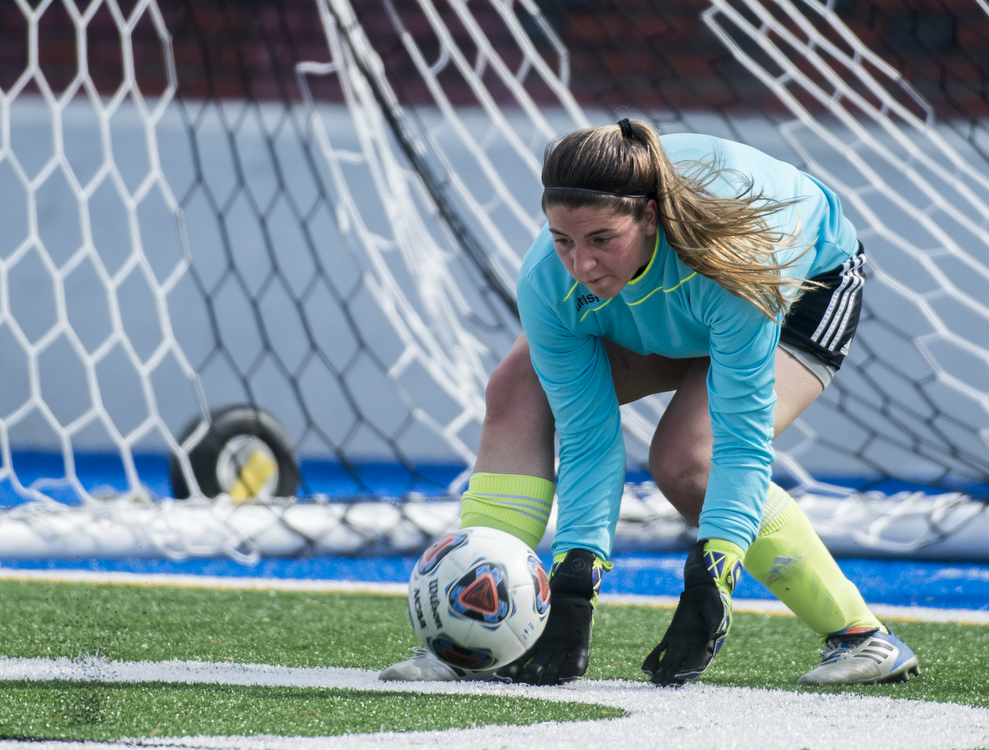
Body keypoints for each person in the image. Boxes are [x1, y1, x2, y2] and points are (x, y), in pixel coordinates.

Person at [380, 120, 919, 687]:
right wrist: (574, 581)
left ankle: (863, 638)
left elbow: (740, 441)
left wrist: (711, 579)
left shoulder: (740, 263)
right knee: (518, 386)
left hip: (801, 285)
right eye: (562, 239)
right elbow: (589, 437)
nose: (580, 265)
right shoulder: (549, 282)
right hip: (669, 294)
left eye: (600, 240)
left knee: (688, 461)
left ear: (651, 217)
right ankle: (479, 632)